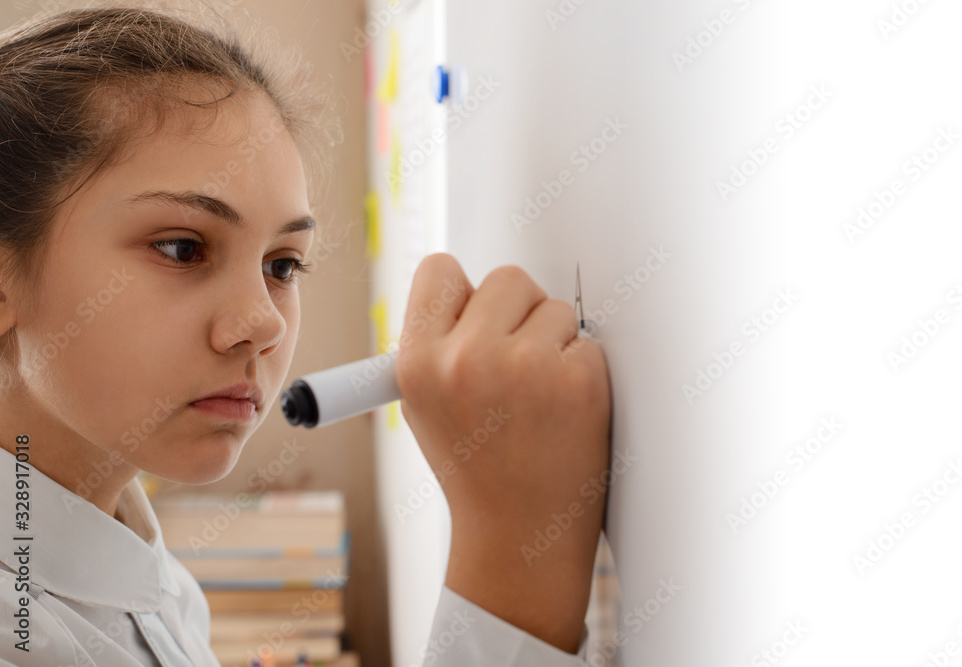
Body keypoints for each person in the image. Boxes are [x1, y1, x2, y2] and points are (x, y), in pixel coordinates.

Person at [0, 5, 611, 666]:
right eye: (181, 248)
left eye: (281, 265)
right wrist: (514, 557)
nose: (264, 322)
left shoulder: (157, 582)